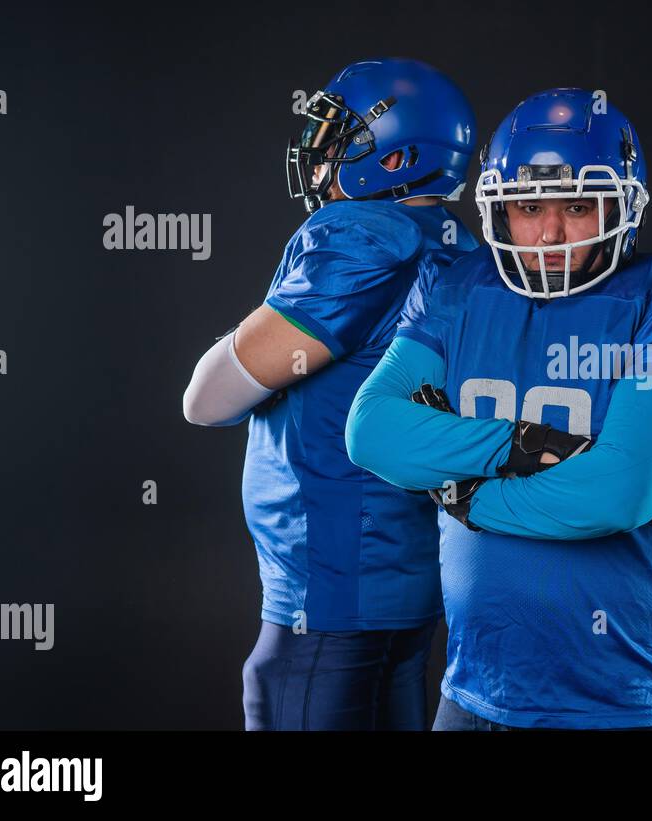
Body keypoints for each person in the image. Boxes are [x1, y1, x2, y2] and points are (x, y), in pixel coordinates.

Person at [345, 88, 652, 730]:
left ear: (622, 205)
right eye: (529, 207)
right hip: (471, 690)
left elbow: (619, 494)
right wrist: (518, 446)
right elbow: (372, 432)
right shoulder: (459, 288)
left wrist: (469, 498)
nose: (551, 233)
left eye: (580, 207)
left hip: (617, 701)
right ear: (500, 212)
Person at [181, 58, 477, 730]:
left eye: (341, 138)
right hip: (406, 582)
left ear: (397, 155)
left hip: (331, 596)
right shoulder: (458, 243)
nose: (320, 154)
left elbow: (207, 398)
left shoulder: (363, 233)